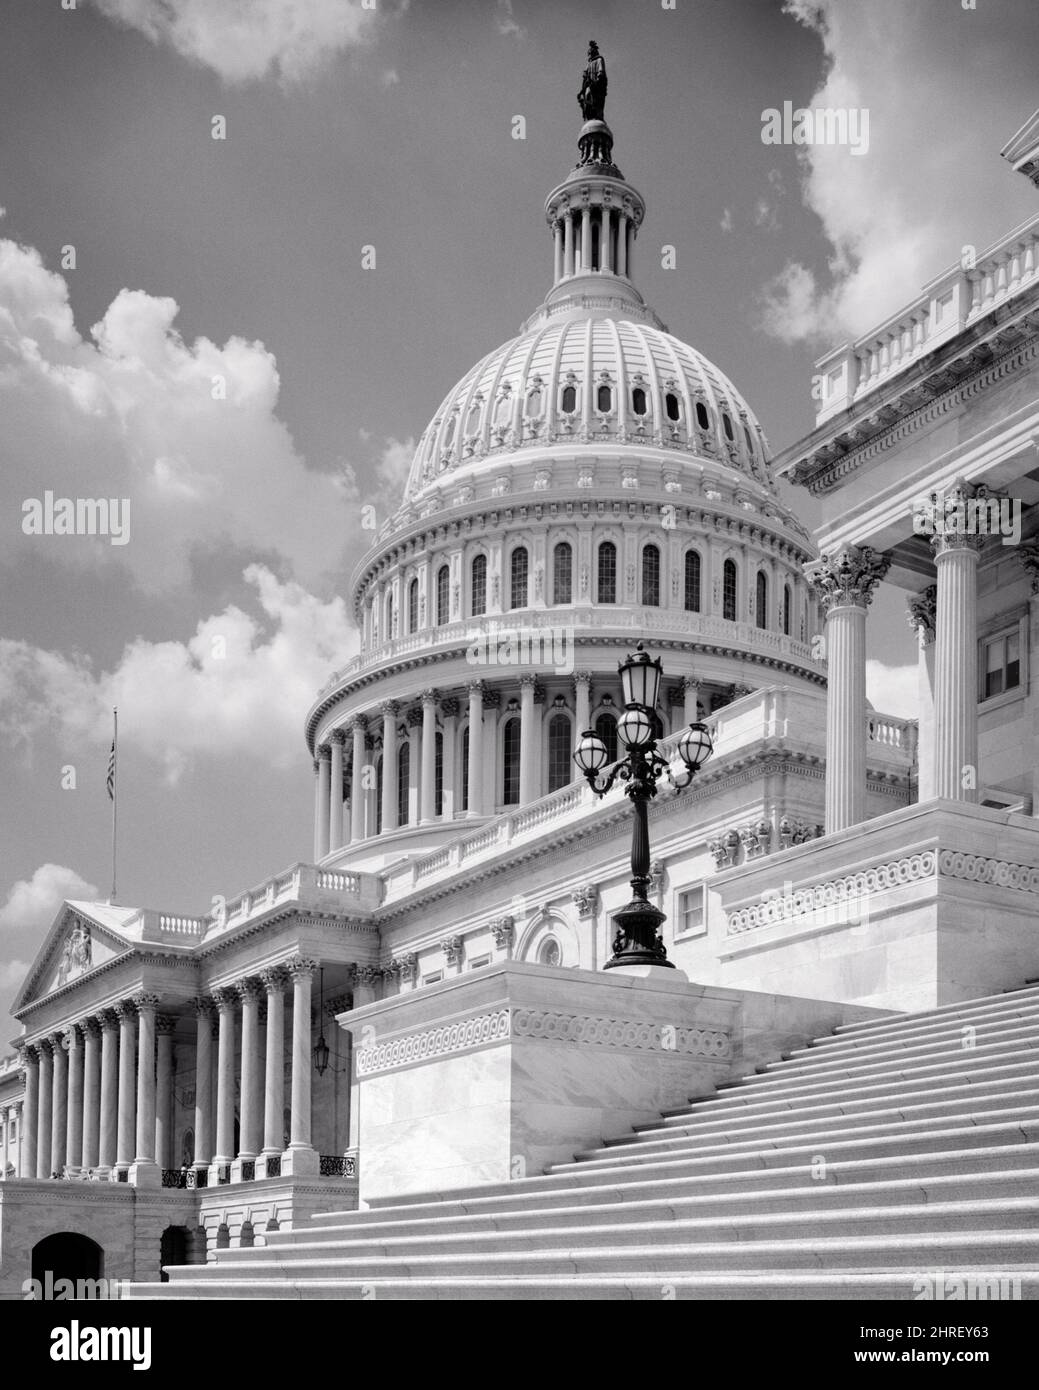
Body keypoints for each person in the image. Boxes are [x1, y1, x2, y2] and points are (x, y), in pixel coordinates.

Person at [578, 40, 607, 122]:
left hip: (597, 85)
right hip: (589, 85)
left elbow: (601, 71)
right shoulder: (589, 64)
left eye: (590, 53)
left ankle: (597, 115)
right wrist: (581, 91)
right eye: (588, 54)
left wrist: (598, 79)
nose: (589, 55)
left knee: (596, 100)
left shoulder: (599, 60)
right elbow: (584, 76)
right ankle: (591, 116)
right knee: (587, 97)